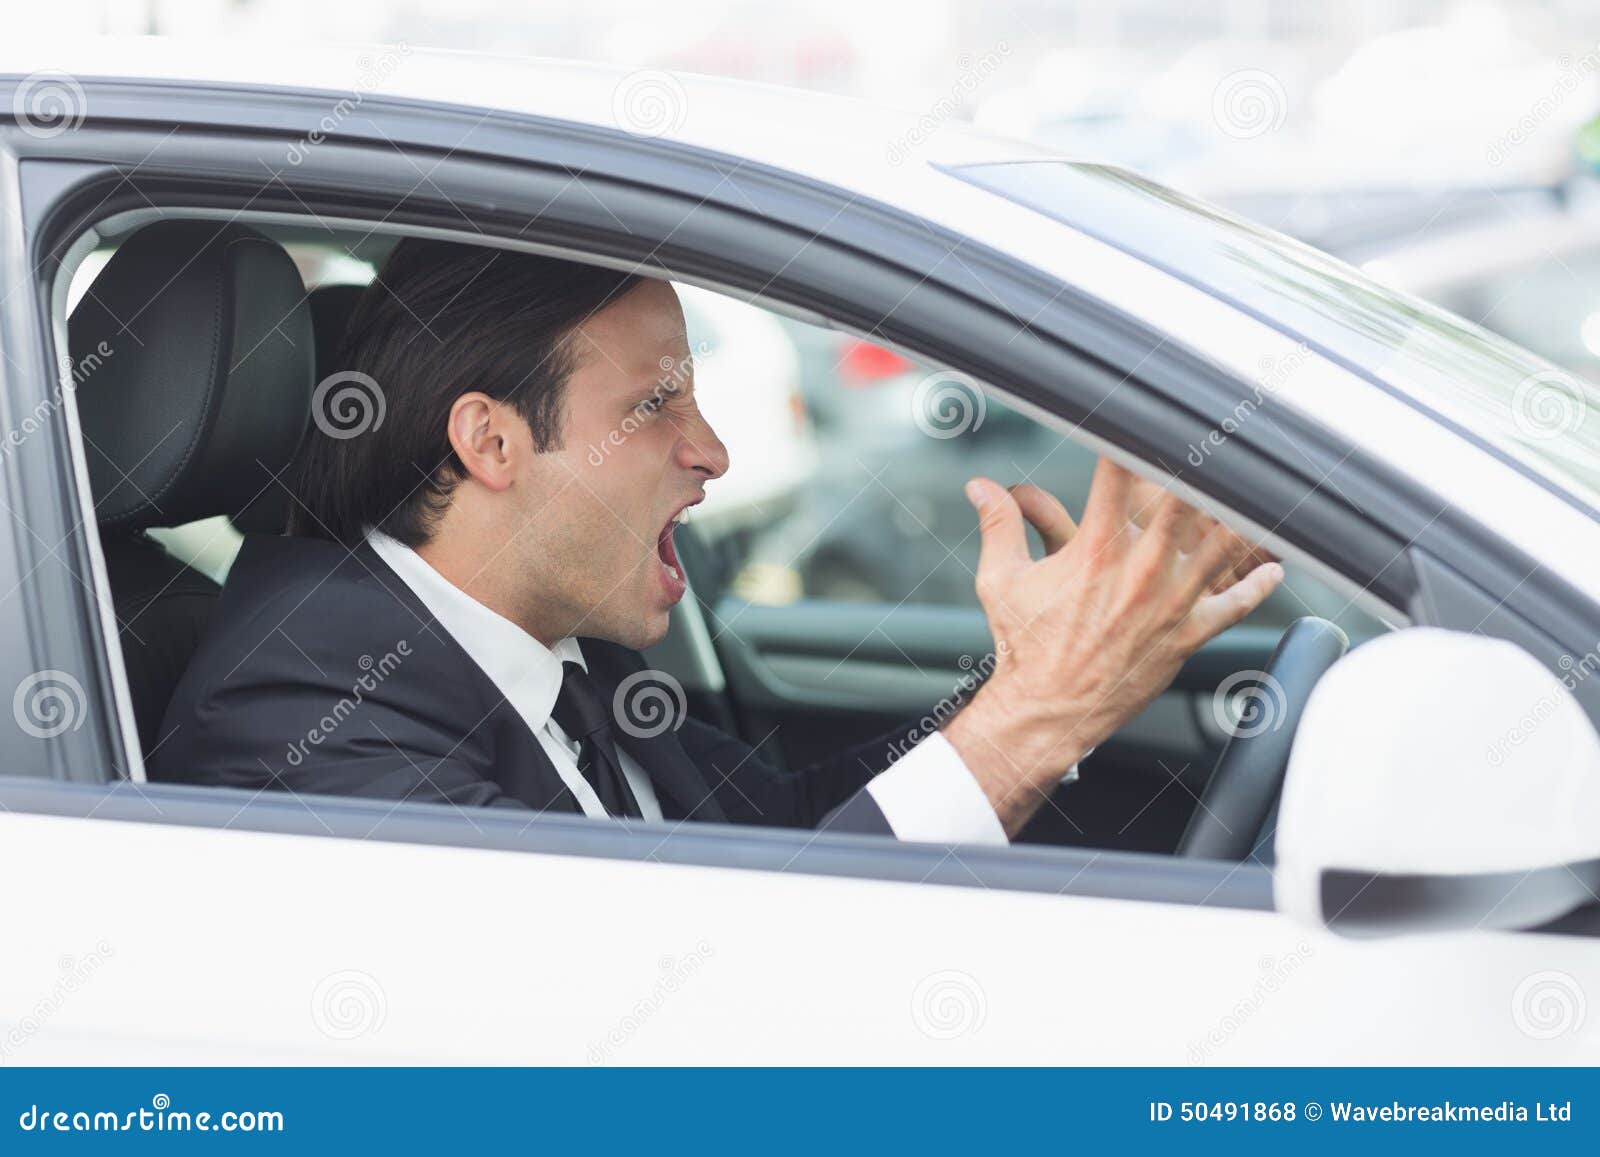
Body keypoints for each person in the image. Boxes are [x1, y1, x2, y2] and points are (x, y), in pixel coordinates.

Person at [152, 240, 1281, 844]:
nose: (714, 453)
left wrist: (1051, 684)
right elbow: (709, 1023)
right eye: (655, 405)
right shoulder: (303, 719)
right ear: (491, 440)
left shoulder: (553, 656)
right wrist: (1033, 720)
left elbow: (786, 836)